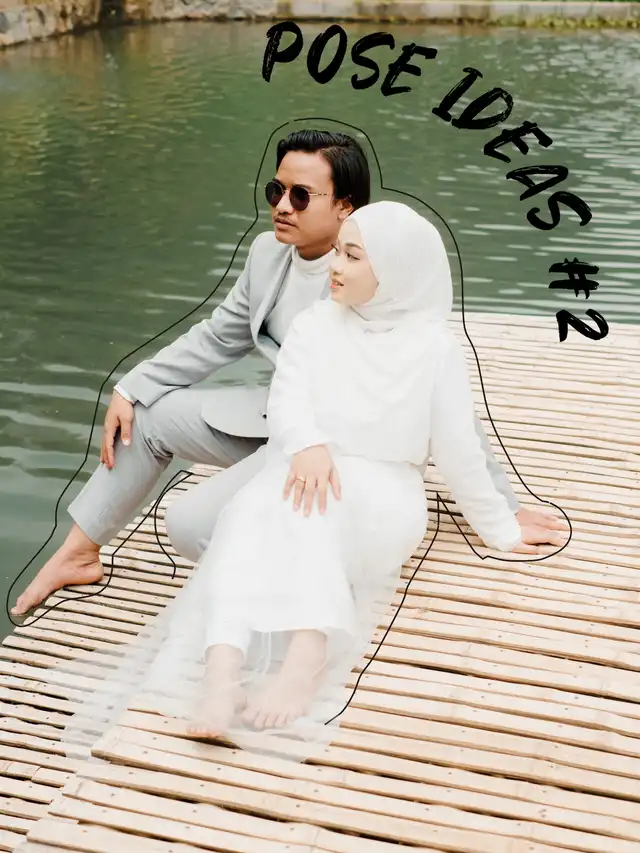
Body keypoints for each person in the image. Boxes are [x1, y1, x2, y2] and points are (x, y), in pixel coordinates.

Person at [49, 201, 532, 766]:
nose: (336, 266)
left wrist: (503, 527)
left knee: (314, 508)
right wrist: (306, 444)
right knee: (248, 513)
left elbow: (459, 451)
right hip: (305, 467)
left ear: (396, 270)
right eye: (339, 252)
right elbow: (288, 401)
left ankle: (305, 657)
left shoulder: (434, 349)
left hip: (383, 495)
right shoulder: (316, 324)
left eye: (353, 256)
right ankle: (223, 672)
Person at [11, 130, 562, 619]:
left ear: (346, 206)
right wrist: (133, 385)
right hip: (278, 419)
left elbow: (443, 404)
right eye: (277, 190)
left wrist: (504, 510)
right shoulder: (267, 254)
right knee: (148, 415)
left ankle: (291, 596)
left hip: (337, 451)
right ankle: (80, 552)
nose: (281, 206)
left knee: (198, 524)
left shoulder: (373, 280)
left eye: (301, 196)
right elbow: (219, 336)